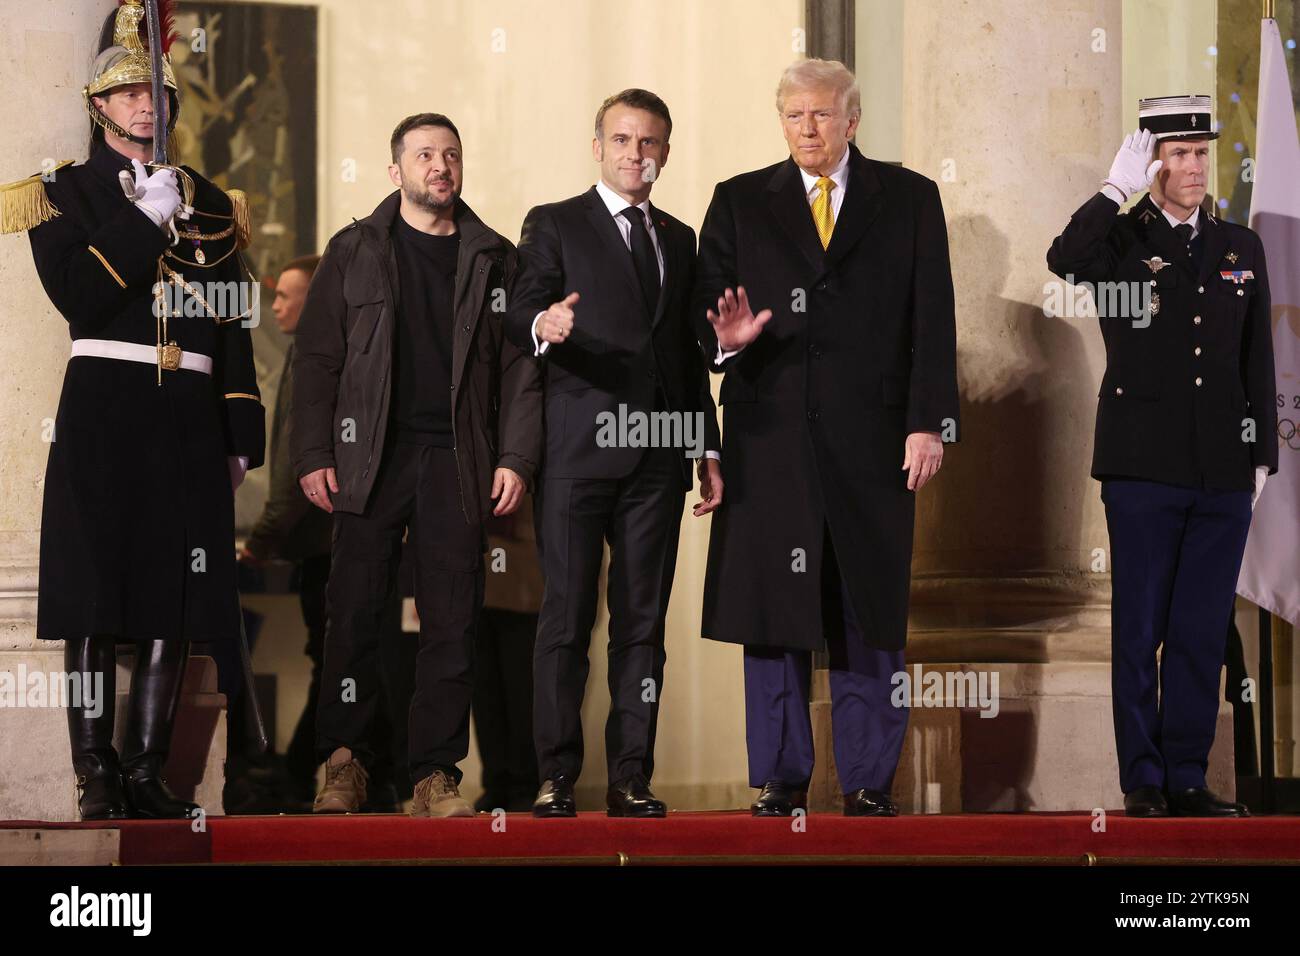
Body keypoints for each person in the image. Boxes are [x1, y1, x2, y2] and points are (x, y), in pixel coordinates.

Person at [0, 0, 264, 820]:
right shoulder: (60, 192)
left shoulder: (211, 201)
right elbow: (79, 293)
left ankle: (147, 771)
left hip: (187, 413)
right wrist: (144, 220)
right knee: (90, 594)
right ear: (99, 105)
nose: (147, 106)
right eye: (129, 94)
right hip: (105, 407)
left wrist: (240, 431)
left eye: (158, 95)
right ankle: (96, 772)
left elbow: (233, 323)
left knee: (173, 599)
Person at [692, 59, 958, 817]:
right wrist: (727, 342)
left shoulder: (909, 198)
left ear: (852, 120)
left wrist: (928, 422)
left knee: (866, 610)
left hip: (874, 443)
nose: (806, 129)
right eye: (793, 115)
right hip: (768, 443)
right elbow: (702, 320)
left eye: (820, 115)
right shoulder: (739, 200)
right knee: (773, 613)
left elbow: (932, 319)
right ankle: (780, 778)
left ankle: (870, 780)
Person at [292, 113, 541, 817]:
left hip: (458, 461)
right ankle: (344, 765)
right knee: (354, 612)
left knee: (452, 620)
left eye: (451, 154)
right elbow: (317, 359)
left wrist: (515, 457)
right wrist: (313, 452)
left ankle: (435, 775)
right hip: (368, 458)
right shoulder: (354, 250)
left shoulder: (495, 258)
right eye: (425, 154)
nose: (440, 165)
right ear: (395, 169)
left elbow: (520, 370)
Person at [1047, 95, 1276, 818]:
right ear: (1151, 164)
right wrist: (1112, 191)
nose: (1195, 166)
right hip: (1142, 467)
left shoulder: (1239, 246)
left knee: (1201, 631)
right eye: (1179, 154)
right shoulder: (1119, 241)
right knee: (1139, 628)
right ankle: (1143, 778)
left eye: (1201, 153)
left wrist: (1262, 454)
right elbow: (1062, 259)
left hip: (1222, 470)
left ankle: (1187, 776)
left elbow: (1256, 356)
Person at [505, 88, 722, 819]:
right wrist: (543, 322)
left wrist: (704, 445)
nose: (637, 153)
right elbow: (519, 306)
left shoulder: (681, 239)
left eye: (649, 142)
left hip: (658, 458)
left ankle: (631, 777)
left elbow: (686, 356)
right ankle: (555, 777)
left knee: (642, 627)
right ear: (598, 147)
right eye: (623, 140)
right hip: (577, 451)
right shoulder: (555, 222)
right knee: (566, 621)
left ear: (666, 153)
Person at [237, 254, 331, 805]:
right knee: (337, 661)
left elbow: (298, 463)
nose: (274, 307)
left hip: (325, 541)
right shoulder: (306, 353)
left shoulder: (314, 359)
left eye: (284, 296)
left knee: (334, 663)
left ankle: (297, 775)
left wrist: (261, 540)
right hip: (318, 540)